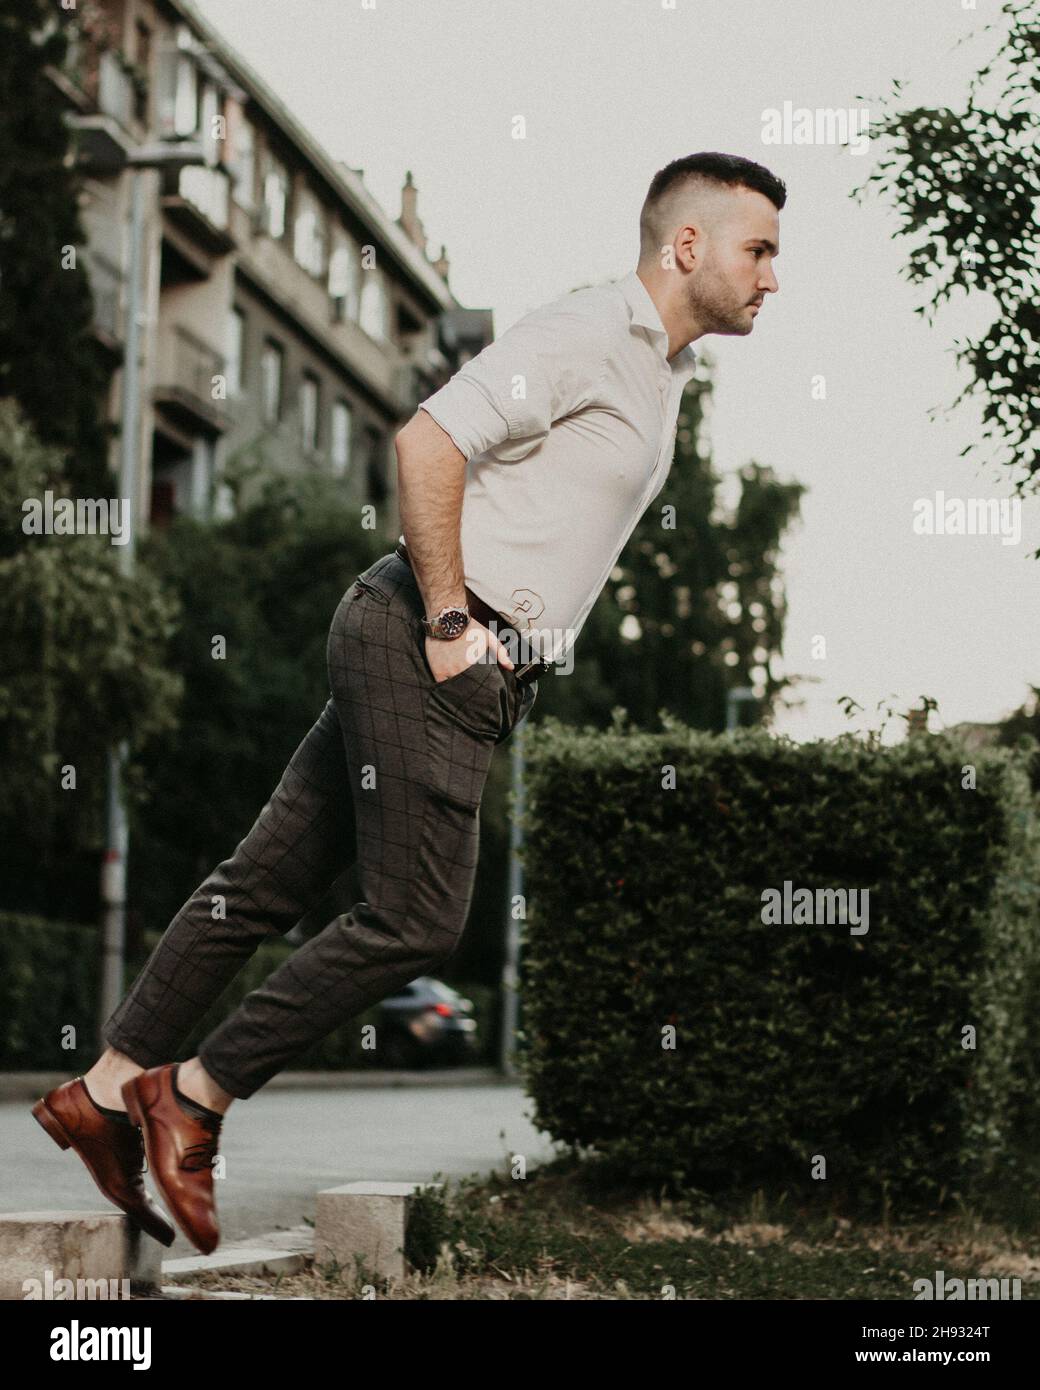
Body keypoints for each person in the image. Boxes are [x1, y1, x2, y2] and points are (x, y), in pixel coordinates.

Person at [31, 152, 785, 1253]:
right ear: (686, 246)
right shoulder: (586, 334)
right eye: (757, 250)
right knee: (420, 915)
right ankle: (190, 1094)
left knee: (260, 884)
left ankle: (98, 1093)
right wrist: (447, 629)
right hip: (430, 636)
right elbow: (426, 438)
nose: (772, 277)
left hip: (436, 645)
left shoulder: (661, 376)